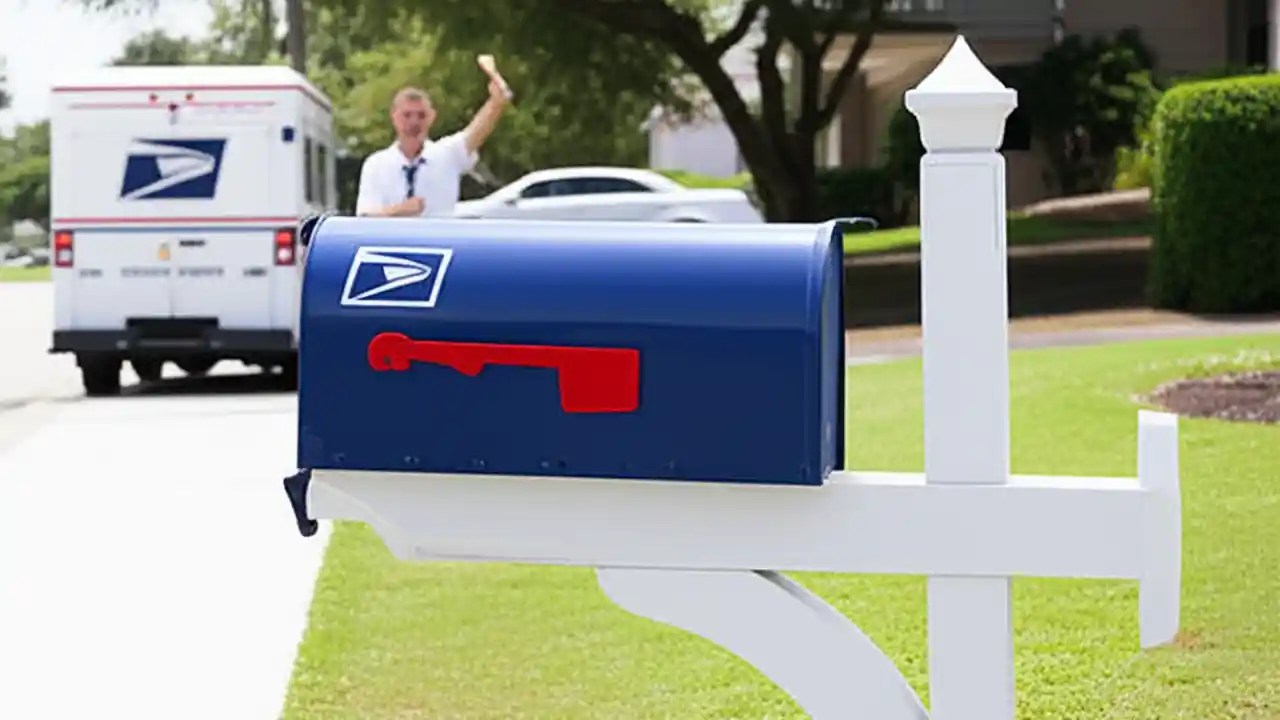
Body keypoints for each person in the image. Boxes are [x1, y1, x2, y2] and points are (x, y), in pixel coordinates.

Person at [355, 72, 510, 218]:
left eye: (421, 115)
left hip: (439, 242)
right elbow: (365, 216)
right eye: (407, 115)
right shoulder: (376, 165)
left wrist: (496, 103)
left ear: (431, 117)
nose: (414, 122)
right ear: (394, 117)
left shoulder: (446, 155)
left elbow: (475, 133)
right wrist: (400, 210)